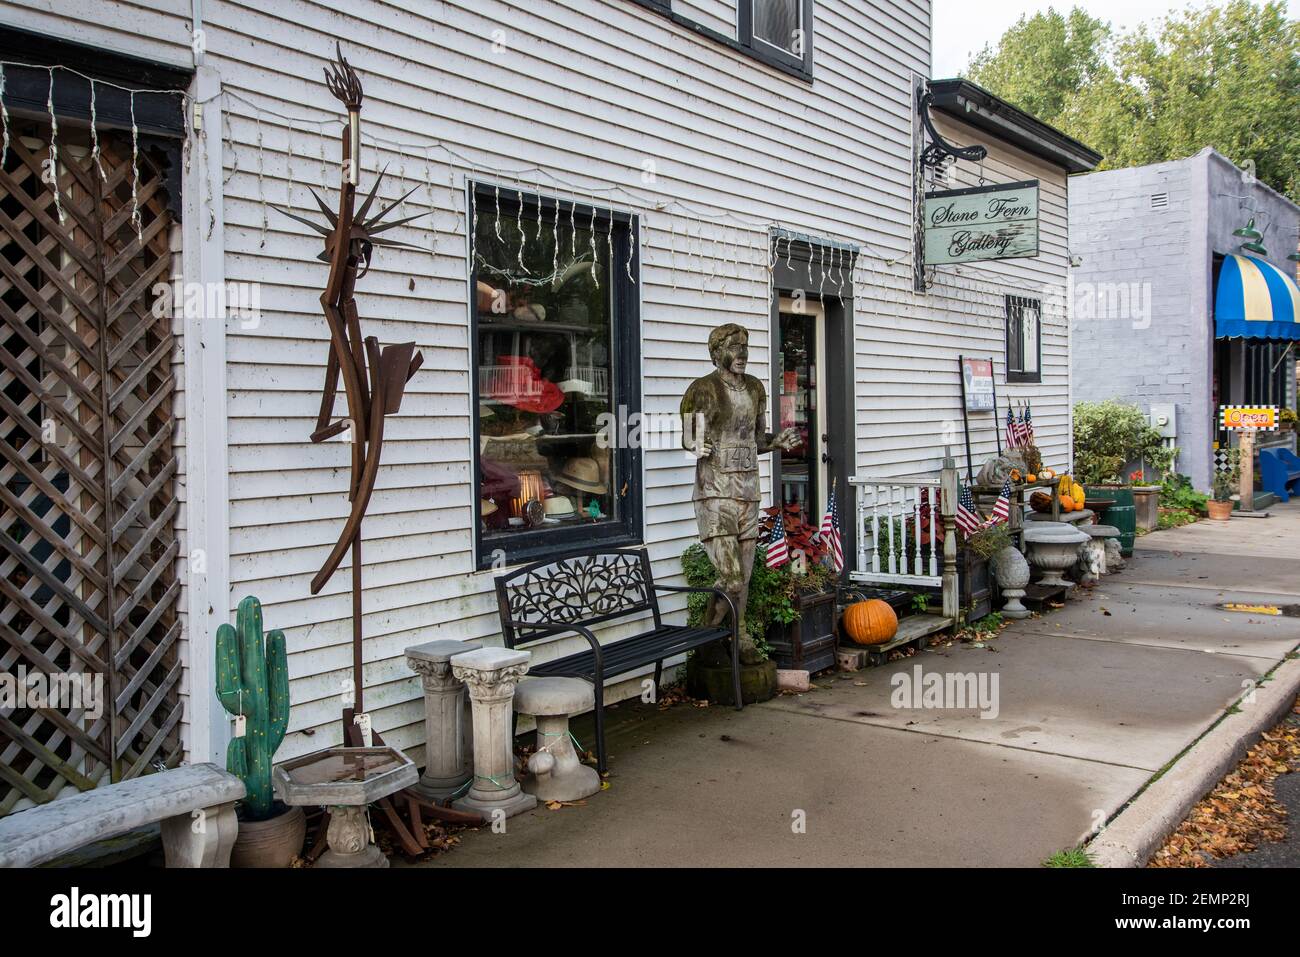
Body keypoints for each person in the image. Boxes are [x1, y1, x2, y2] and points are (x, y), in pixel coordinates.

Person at [680, 323, 799, 663]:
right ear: (717, 352)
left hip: (749, 491)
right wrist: (695, 444)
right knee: (731, 577)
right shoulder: (703, 389)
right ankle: (706, 638)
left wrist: (776, 442)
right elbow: (689, 438)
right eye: (734, 346)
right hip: (715, 492)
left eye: (745, 346)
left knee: (743, 577)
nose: (742, 353)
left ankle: (738, 636)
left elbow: (756, 439)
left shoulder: (756, 388)